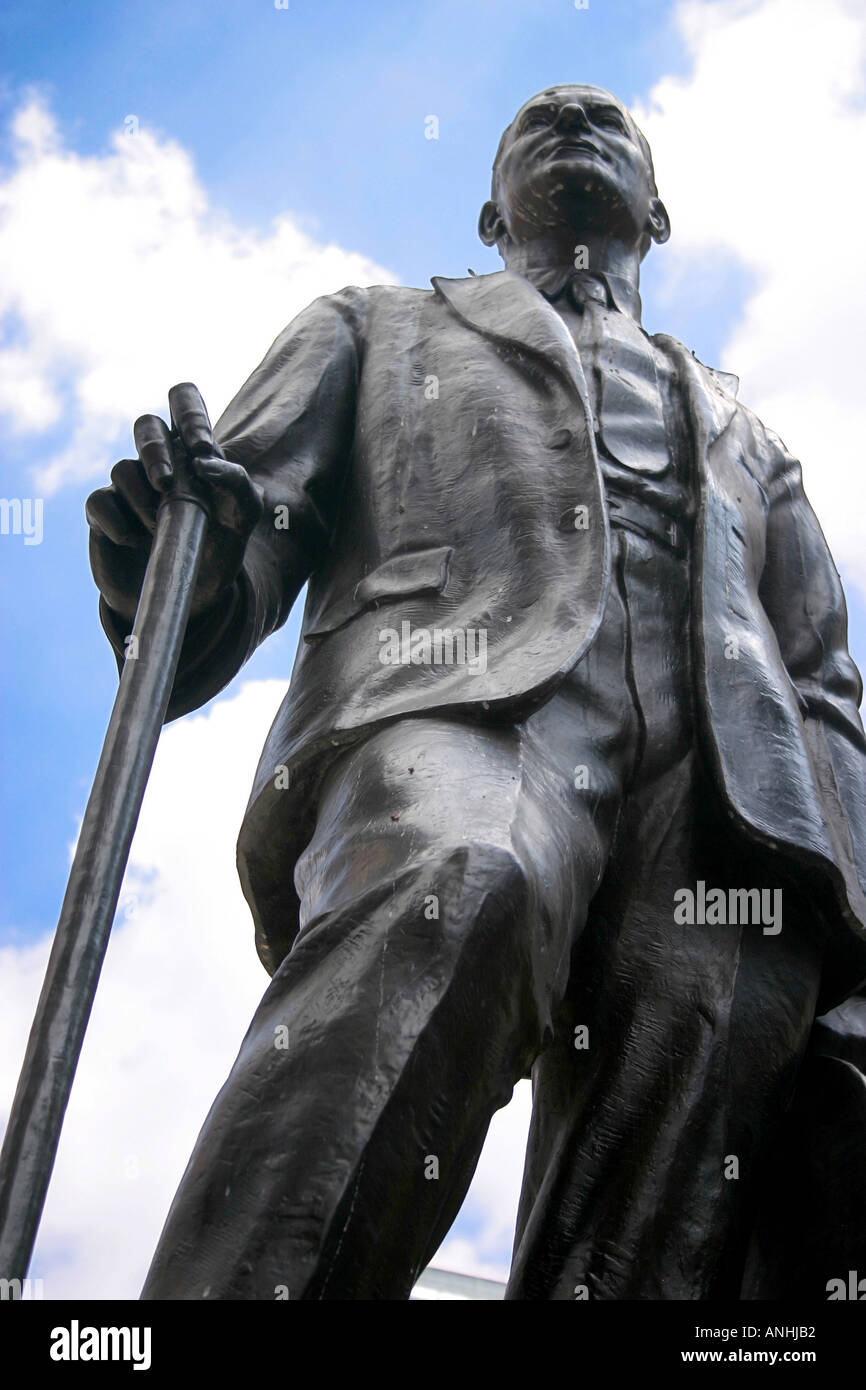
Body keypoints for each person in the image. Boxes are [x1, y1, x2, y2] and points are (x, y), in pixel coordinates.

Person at [86, 85, 866, 1299]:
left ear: (655, 213)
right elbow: (232, 548)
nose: (568, 116)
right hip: (462, 703)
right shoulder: (375, 325)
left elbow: (823, 680)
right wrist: (167, 562)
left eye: (603, 118)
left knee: (681, 1113)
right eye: (534, 122)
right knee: (464, 875)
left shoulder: (745, 432)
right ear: (486, 206)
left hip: (724, 796)